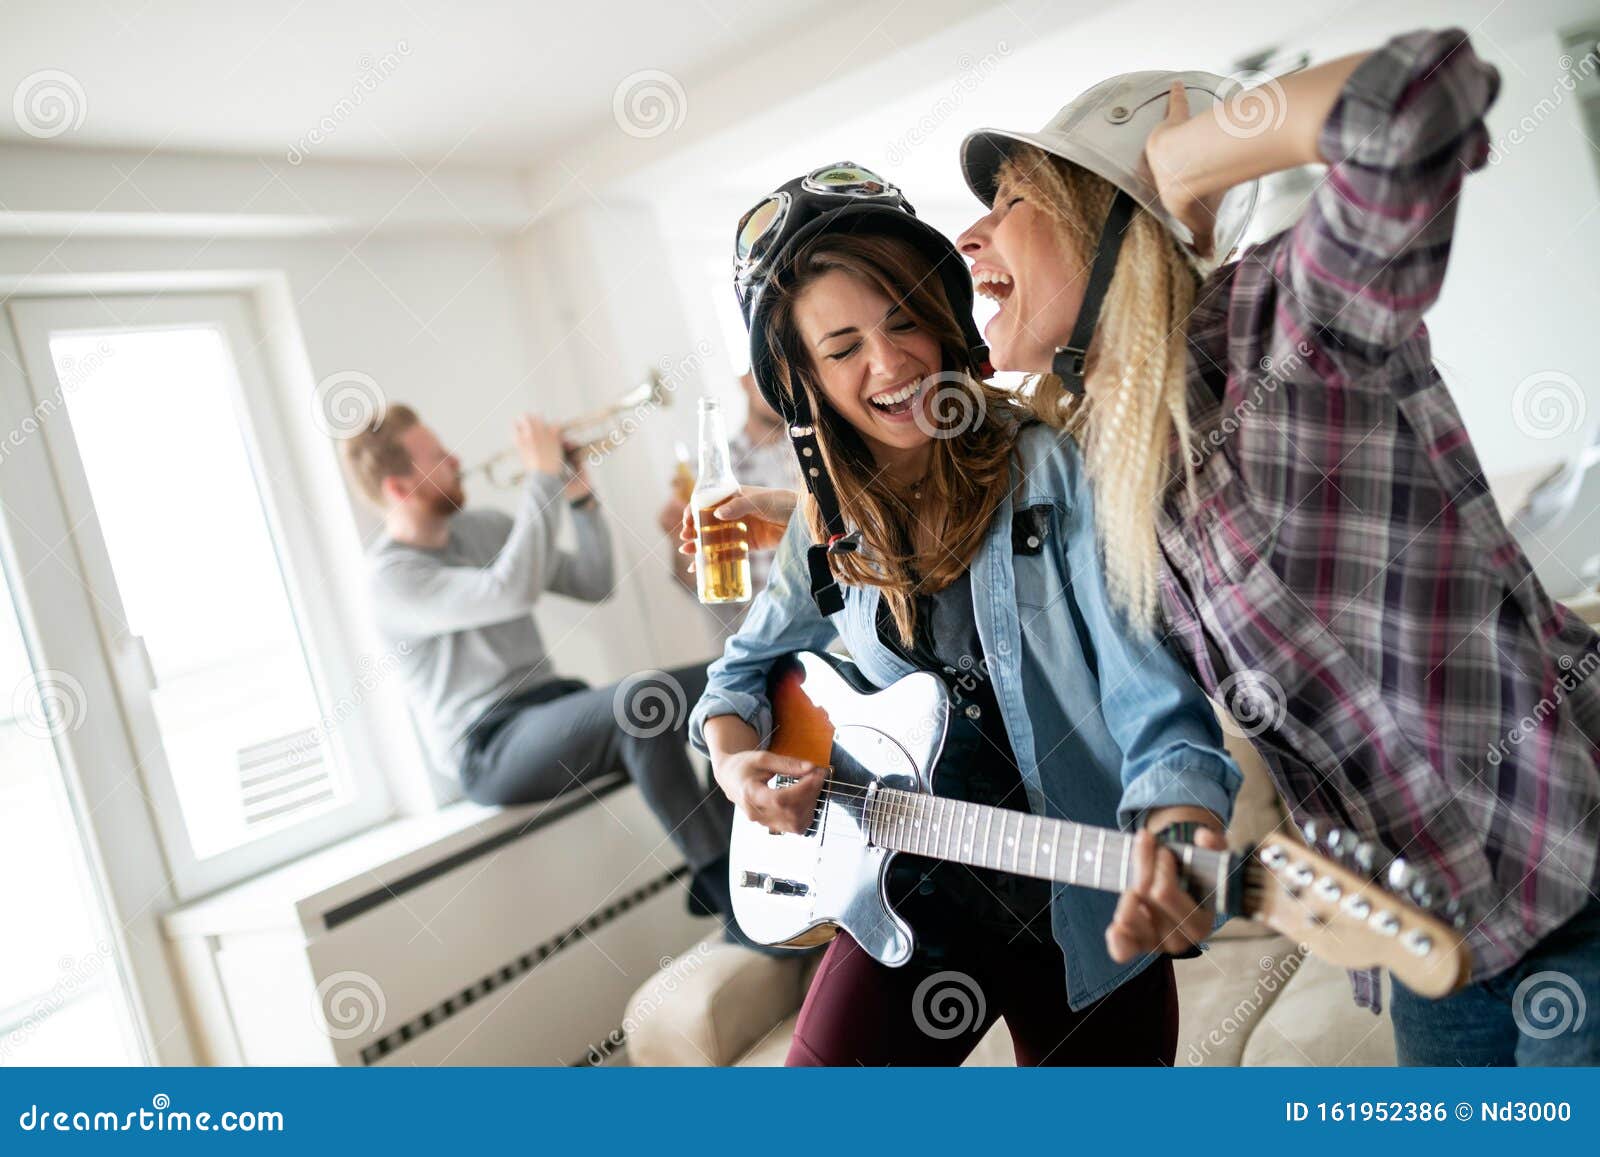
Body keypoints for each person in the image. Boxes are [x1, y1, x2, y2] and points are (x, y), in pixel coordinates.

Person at [953, 29, 1600, 1064]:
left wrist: (1180, 166)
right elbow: (1151, 719)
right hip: (1426, 941)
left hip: (1570, 863)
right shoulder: (1108, 473)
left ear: (1108, 219)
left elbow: (1425, 91)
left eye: (1011, 202)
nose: (969, 238)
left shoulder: (1278, 320)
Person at [686, 163, 1242, 1066]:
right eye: (843, 347)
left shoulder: (1055, 471)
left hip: (1089, 915)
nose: (891, 361)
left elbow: (1153, 696)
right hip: (908, 902)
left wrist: (1181, 822)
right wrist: (736, 765)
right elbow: (736, 678)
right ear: (804, 384)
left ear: (946, 313)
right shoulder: (827, 523)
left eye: (905, 318)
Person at [339, 406, 736, 924]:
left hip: (554, 705)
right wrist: (542, 476)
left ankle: (746, 856)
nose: (457, 459)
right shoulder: (389, 579)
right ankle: (726, 887)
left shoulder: (486, 529)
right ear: (398, 488)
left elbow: (594, 581)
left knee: (733, 675)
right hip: (489, 745)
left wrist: (578, 498)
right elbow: (509, 592)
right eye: (437, 457)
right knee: (639, 706)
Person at [657, 370, 803, 637]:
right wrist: (678, 542)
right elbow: (693, 585)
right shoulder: (705, 472)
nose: (780, 390)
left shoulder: (814, 458)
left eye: (790, 381)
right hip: (760, 641)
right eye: (770, 375)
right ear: (745, 380)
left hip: (827, 633)